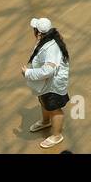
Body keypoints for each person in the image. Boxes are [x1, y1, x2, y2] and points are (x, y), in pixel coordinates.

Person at [23, 18, 71, 149]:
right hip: (46, 84)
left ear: (38, 32)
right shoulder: (47, 38)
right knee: (43, 101)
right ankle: (45, 121)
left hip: (53, 85)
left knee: (55, 109)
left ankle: (57, 135)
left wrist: (28, 73)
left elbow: (48, 70)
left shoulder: (50, 48)